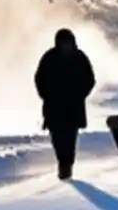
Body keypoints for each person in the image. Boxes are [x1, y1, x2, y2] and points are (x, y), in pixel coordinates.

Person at [35, 28, 96, 180]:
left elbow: (90, 79)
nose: (66, 45)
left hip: (73, 105)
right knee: (56, 136)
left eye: (68, 42)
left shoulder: (80, 58)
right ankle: (62, 161)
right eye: (63, 42)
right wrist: (45, 95)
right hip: (53, 104)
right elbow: (39, 78)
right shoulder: (49, 57)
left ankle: (67, 163)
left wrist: (80, 94)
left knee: (70, 136)